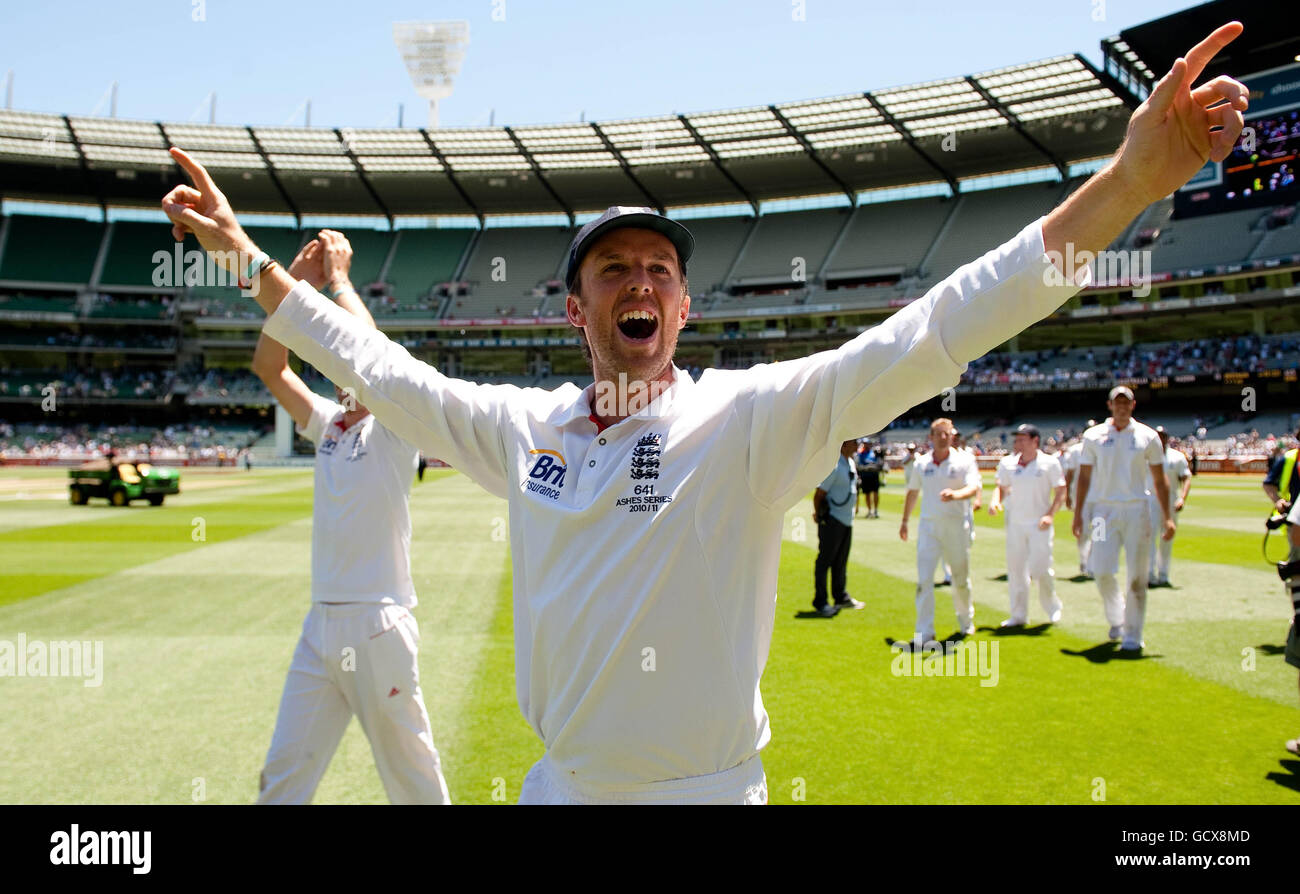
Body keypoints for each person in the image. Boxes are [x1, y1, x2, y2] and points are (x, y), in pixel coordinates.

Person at [160, 25, 1246, 803]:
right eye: (615, 269)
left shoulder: (751, 419)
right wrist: (245, 260)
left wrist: (1131, 181)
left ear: (681, 304)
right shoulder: (521, 430)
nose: (640, 282)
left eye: (661, 270)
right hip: (560, 790)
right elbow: (376, 366)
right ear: (576, 303)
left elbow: (946, 324)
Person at [251, 230, 450, 805]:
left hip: (378, 624)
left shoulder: (393, 427)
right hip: (322, 626)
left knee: (412, 779)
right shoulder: (328, 424)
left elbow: (370, 352)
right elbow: (269, 365)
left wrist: (338, 281)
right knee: (284, 777)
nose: (344, 371)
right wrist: (295, 282)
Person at [1072, 387, 1175, 653]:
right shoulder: (1093, 436)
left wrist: (1167, 517)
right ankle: (1117, 618)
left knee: (1138, 577)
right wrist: (1078, 514)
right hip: (1102, 511)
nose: (1121, 407)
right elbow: (1083, 477)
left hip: (1137, 509)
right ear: (1109, 405)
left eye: (1126, 403)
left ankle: (1133, 635)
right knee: (1100, 569)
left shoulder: (1147, 436)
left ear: (1133, 405)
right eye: (1117, 403)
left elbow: (1160, 480)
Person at [900, 418, 982, 643]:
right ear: (931, 436)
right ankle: (925, 631)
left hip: (956, 525)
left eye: (947, 434)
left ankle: (966, 620)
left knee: (960, 578)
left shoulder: (965, 460)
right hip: (929, 527)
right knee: (924, 579)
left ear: (952, 436)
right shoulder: (922, 463)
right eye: (938, 433)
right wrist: (905, 521)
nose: (943, 437)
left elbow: (974, 486)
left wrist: (956, 495)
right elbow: (913, 492)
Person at [988, 424, 1066, 627]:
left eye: (1022, 439)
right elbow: (1001, 487)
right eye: (1016, 439)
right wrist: (994, 501)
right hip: (1015, 524)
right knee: (1016, 571)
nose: (1017, 443)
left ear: (1035, 441)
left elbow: (1060, 491)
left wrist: (1050, 515)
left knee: (1040, 569)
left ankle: (1052, 606)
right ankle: (1018, 615)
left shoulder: (1049, 463)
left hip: (1039, 524)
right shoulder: (1008, 463)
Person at [813, 439, 865, 617]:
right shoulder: (834, 465)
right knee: (825, 561)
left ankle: (840, 597)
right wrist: (818, 515)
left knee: (840, 562)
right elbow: (819, 494)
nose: (857, 445)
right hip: (833, 519)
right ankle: (821, 601)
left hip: (846, 520)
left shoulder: (849, 462)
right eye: (853, 442)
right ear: (843, 445)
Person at [1148, 428, 1191, 587]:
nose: (1160, 439)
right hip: (1150, 498)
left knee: (1167, 538)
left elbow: (1186, 477)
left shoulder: (1177, 456)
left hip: (1171, 499)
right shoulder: (1146, 455)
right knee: (1149, 538)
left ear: (1167, 438)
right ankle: (1149, 575)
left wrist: (1182, 498)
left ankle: (1164, 575)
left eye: (1163, 436)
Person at [1061, 419, 1098, 578]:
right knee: (1082, 532)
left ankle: (1095, 563)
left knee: (1099, 533)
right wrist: (1068, 495)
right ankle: (1084, 560)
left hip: (1100, 499)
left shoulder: (1105, 449)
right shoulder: (1075, 451)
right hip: (1081, 498)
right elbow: (1069, 475)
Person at [856, 440, 882, 519]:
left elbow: (879, 463)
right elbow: (859, 465)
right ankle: (870, 511)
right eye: (865, 444)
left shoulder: (874, 452)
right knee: (867, 494)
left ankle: (876, 510)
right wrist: (867, 467)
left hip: (874, 475)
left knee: (875, 493)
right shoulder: (860, 453)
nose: (866, 445)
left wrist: (873, 466)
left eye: (867, 444)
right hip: (865, 475)